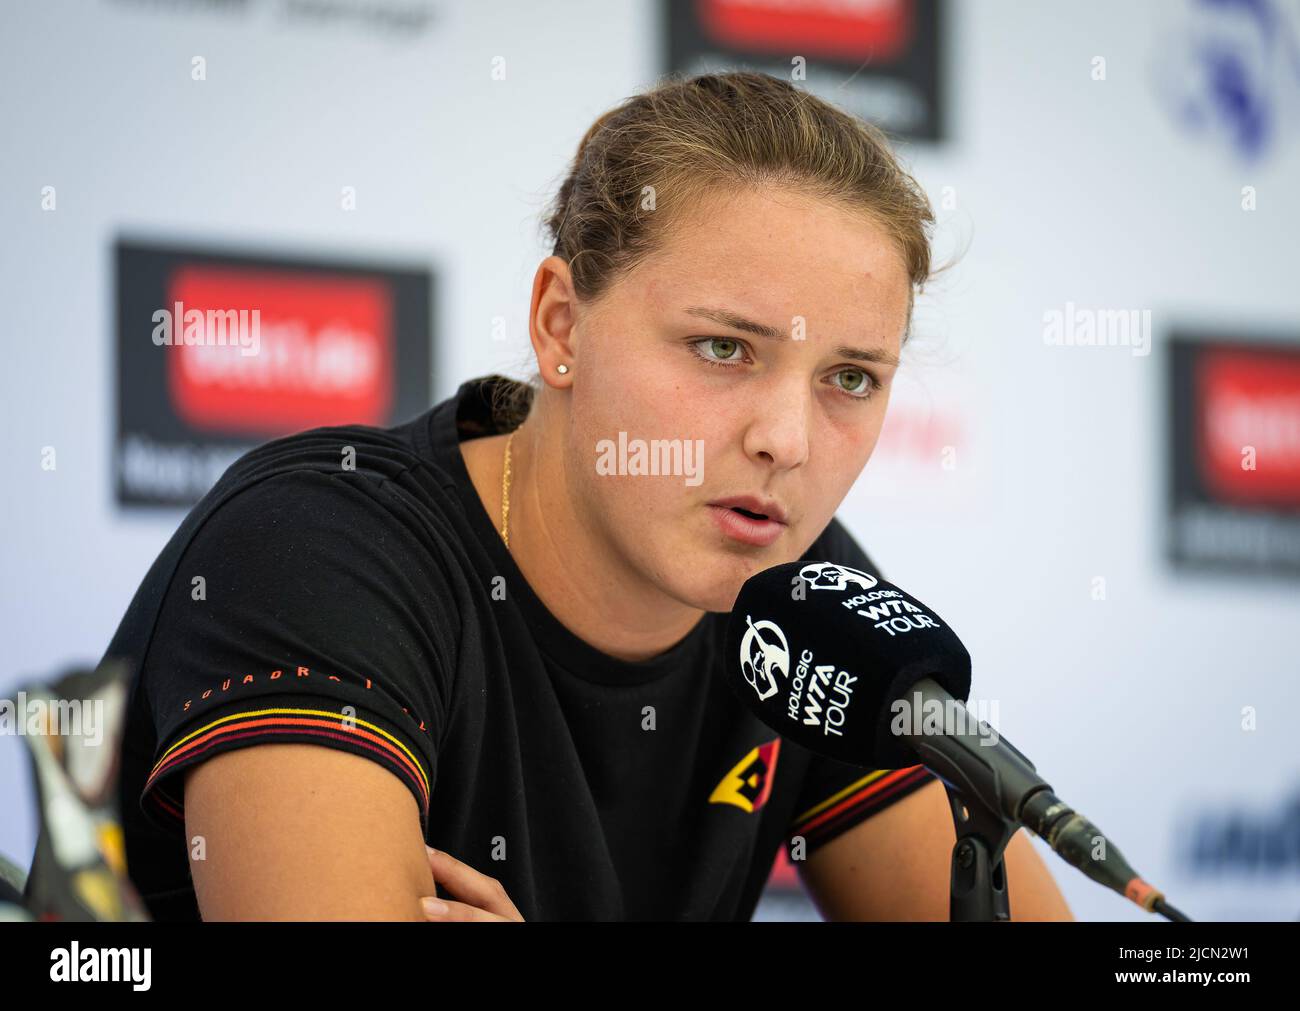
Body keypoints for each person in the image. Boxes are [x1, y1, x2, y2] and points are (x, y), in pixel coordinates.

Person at [106, 70, 1073, 921]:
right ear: (560, 324)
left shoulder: (807, 597)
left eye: (851, 377)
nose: (787, 439)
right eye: (723, 348)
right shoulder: (319, 547)